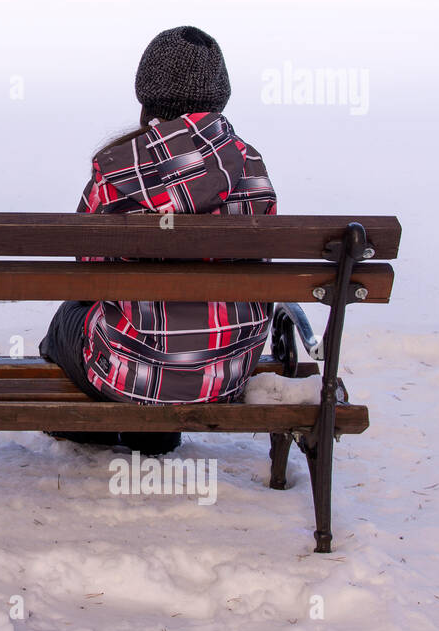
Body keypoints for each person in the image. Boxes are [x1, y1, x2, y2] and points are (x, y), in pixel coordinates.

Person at [39, 26, 278, 455]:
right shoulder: (251, 165)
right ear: (219, 95)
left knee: (67, 321)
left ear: (146, 94)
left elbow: (86, 269)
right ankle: (155, 431)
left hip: (130, 372)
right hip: (224, 371)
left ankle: (89, 428)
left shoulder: (117, 168)